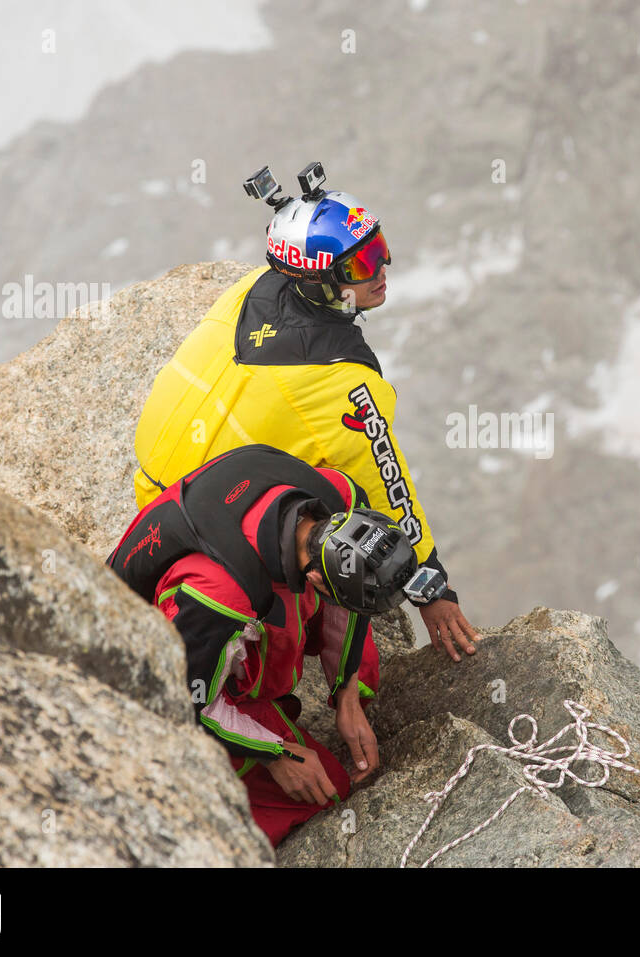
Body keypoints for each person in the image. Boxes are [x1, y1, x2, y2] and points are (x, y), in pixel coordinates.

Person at [131, 161, 478, 662]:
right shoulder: (341, 380)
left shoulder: (254, 287)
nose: (382, 271)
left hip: (157, 486)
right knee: (341, 509)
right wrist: (432, 589)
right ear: (321, 283)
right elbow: (386, 484)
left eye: (378, 249)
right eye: (361, 267)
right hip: (200, 528)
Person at [107, 443, 437, 845]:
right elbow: (179, 696)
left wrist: (348, 697)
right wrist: (274, 754)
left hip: (218, 579)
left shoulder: (342, 497)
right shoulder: (223, 593)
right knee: (323, 789)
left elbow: (345, 606)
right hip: (141, 671)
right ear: (316, 581)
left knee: (325, 643)